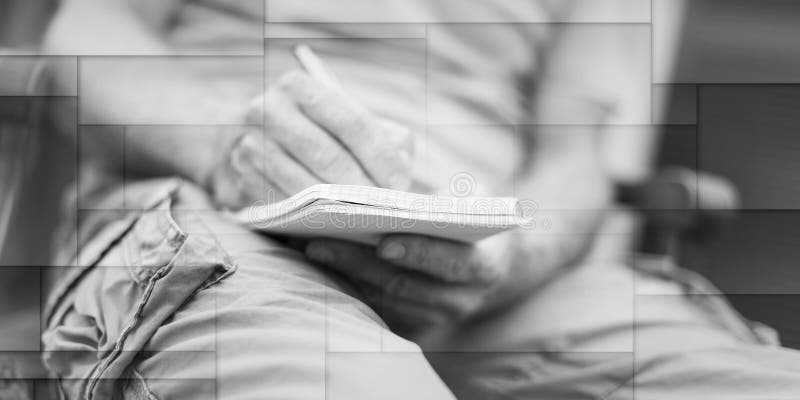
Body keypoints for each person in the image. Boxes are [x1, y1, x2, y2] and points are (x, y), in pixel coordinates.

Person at [39, 0, 800, 399]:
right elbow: (87, 41)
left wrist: (515, 253)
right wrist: (225, 143)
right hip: (218, 213)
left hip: (510, 283)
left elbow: (575, 156)